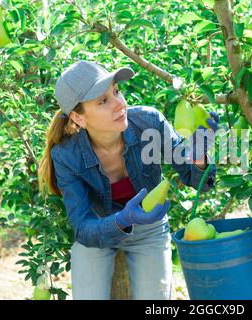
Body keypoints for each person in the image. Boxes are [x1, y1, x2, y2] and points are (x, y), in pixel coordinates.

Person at [38, 60, 218, 300]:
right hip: (99, 231)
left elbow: (195, 179)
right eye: (103, 101)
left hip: (149, 229)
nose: (119, 104)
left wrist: (198, 158)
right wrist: (122, 220)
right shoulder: (66, 156)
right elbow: (82, 227)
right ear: (78, 118)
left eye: (116, 91)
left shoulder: (149, 123)